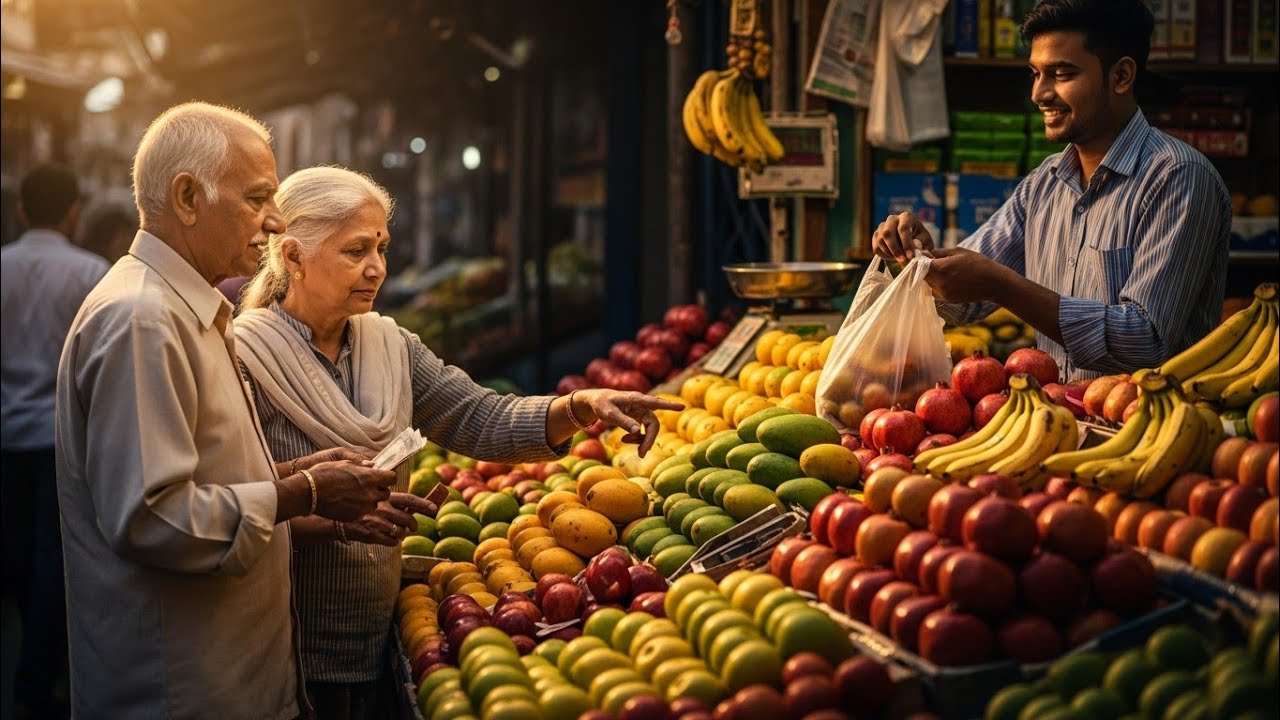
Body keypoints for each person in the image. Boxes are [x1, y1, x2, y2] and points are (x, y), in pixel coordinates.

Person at [234, 166, 682, 720]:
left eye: (381, 248)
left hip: (377, 633)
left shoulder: (391, 348)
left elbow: (479, 415)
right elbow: (233, 509)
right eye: (355, 251)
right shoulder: (242, 359)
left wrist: (580, 406)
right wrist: (332, 520)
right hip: (284, 647)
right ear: (293, 256)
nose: (377, 268)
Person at [54, 102, 400, 720]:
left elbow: (201, 477)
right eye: (258, 197)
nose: (274, 221)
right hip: (180, 690)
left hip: (225, 677)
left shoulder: (187, 309)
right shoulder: (142, 319)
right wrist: (304, 493)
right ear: (188, 198)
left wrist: (290, 477)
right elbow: (154, 516)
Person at [872, 0, 1231, 382]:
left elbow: (1144, 339)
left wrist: (1002, 285)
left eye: (1061, 74)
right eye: (1035, 74)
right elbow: (965, 303)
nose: (1039, 93)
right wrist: (917, 256)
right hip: (1053, 414)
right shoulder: (1043, 184)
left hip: (1154, 415)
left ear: (1121, 76)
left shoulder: (1178, 178)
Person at [1, 164, 107, 719]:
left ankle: (32, 667)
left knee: (17, 553)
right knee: (53, 556)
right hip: (59, 438)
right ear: (72, 211)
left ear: (22, 209)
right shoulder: (91, 273)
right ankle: (39, 678)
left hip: (6, 437)